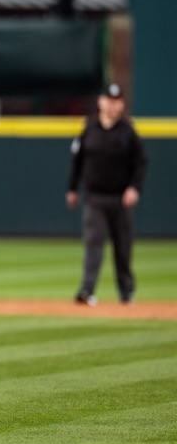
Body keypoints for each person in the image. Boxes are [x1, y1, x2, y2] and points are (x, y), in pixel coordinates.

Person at [67, 83, 148, 306]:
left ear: (121, 104)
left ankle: (126, 293)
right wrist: (72, 188)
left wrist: (134, 188)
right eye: (109, 100)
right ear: (101, 102)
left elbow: (140, 163)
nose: (113, 105)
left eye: (117, 101)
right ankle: (87, 290)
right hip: (95, 198)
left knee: (123, 247)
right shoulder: (89, 129)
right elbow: (77, 161)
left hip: (121, 198)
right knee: (94, 243)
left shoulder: (128, 131)